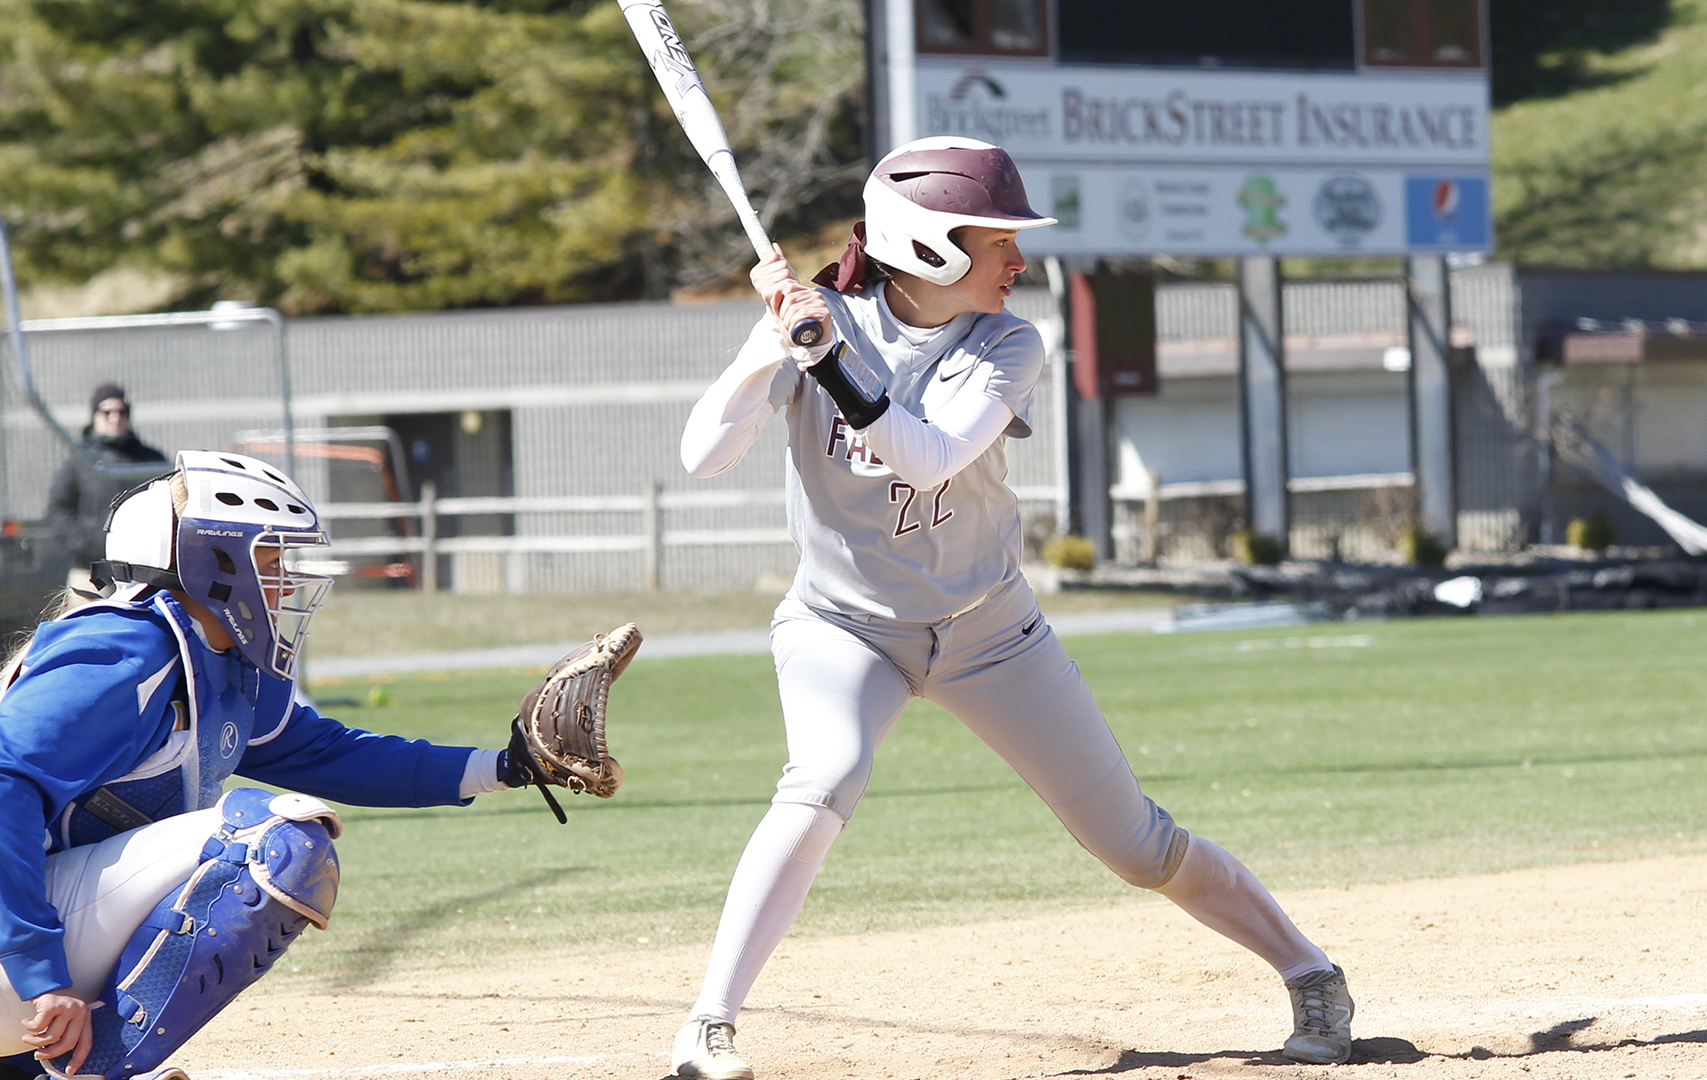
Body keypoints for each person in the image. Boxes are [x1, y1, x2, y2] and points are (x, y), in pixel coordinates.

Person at [672, 136, 1353, 1080]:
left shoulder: (1006, 341)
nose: (1020, 262)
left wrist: (832, 363)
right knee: (822, 776)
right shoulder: (815, 321)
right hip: (844, 624)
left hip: (992, 631)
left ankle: (1310, 970)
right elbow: (702, 456)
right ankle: (708, 1025)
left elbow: (927, 455)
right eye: (999, 242)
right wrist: (763, 354)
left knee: (1134, 844)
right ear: (933, 246)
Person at [0, 451, 550, 1080]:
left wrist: (506, 765)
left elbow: (332, 754)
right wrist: (42, 977)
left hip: (22, 947)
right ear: (210, 564)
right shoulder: (129, 648)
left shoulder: (217, 664)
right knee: (275, 843)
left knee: (271, 841)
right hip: (17, 952)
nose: (284, 581)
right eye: (268, 561)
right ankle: (93, 1069)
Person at [46, 384, 169, 577]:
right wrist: (88, 548)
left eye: (122, 411)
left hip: (142, 571)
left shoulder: (151, 460)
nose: (115, 418)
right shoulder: (80, 461)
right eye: (107, 411)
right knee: (87, 606)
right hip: (91, 571)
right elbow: (59, 510)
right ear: (94, 415)